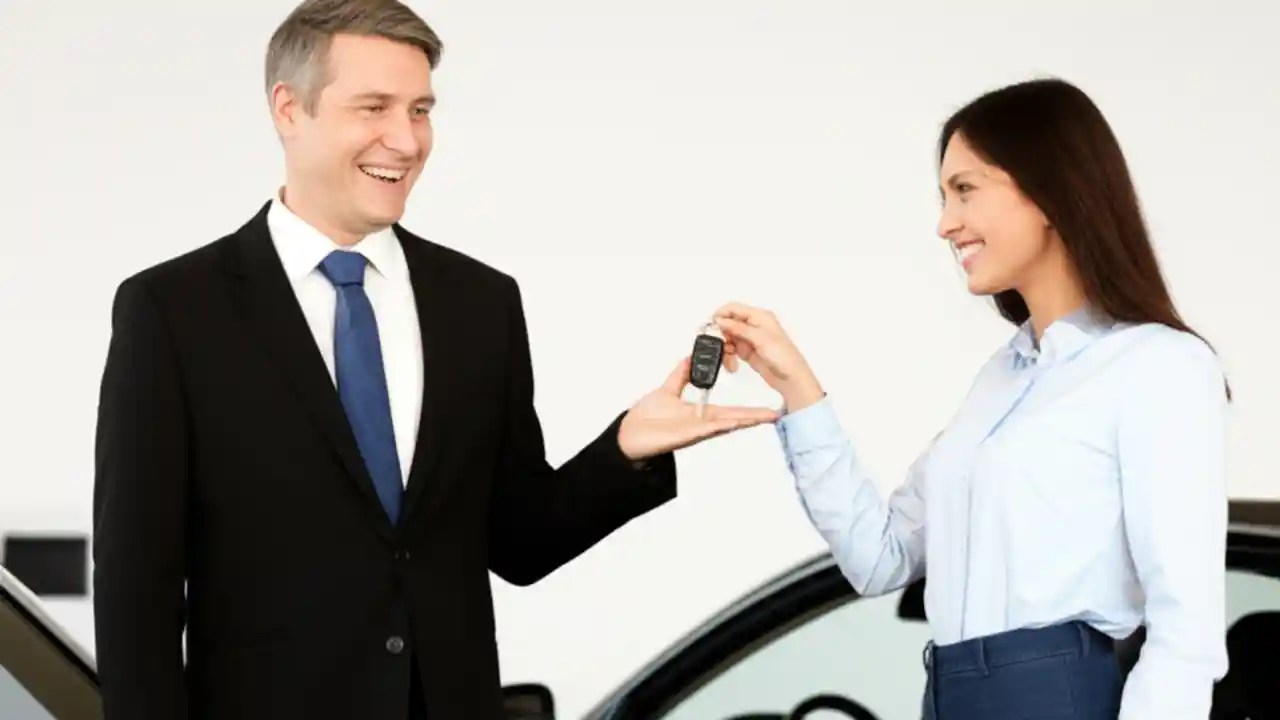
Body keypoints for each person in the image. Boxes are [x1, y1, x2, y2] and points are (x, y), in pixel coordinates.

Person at [90, 1, 778, 718]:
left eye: (420, 110)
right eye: (374, 108)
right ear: (289, 110)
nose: (406, 140)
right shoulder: (174, 312)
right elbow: (136, 589)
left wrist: (625, 449)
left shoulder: (478, 303)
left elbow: (519, 540)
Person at [712, 78, 1229, 720]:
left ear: (1049, 192)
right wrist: (798, 387)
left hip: (1056, 699)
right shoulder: (1001, 378)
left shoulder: (1159, 366)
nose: (944, 224)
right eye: (943, 196)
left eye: (965, 190)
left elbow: (1186, 629)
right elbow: (880, 559)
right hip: (949, 695)